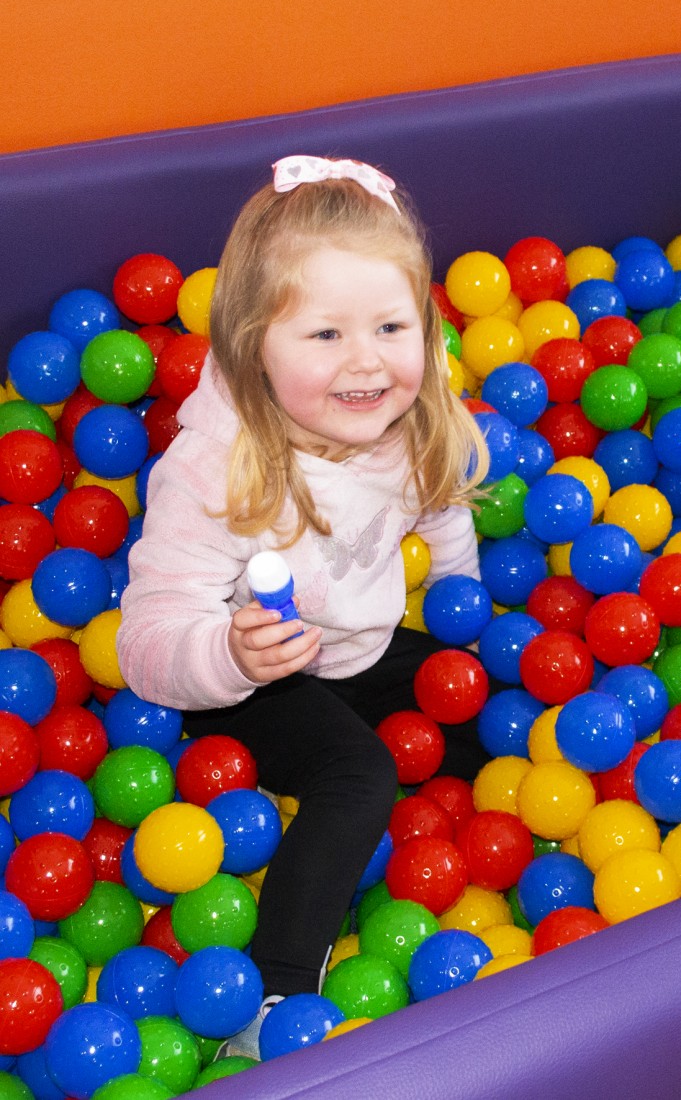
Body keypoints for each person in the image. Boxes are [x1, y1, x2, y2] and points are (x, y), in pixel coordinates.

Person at [117, 154, 491, 1054]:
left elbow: (442, 503)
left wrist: (460, 598)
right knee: (360, 774)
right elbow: (145, 643)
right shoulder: (217, 471)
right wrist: (230, 654)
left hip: (357, 646)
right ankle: (272, 1002)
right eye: (324, 334)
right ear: (253, 346)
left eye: (391, 326)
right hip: (246, 680)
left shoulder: (409, 410)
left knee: (482, 701)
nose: (366, 361)